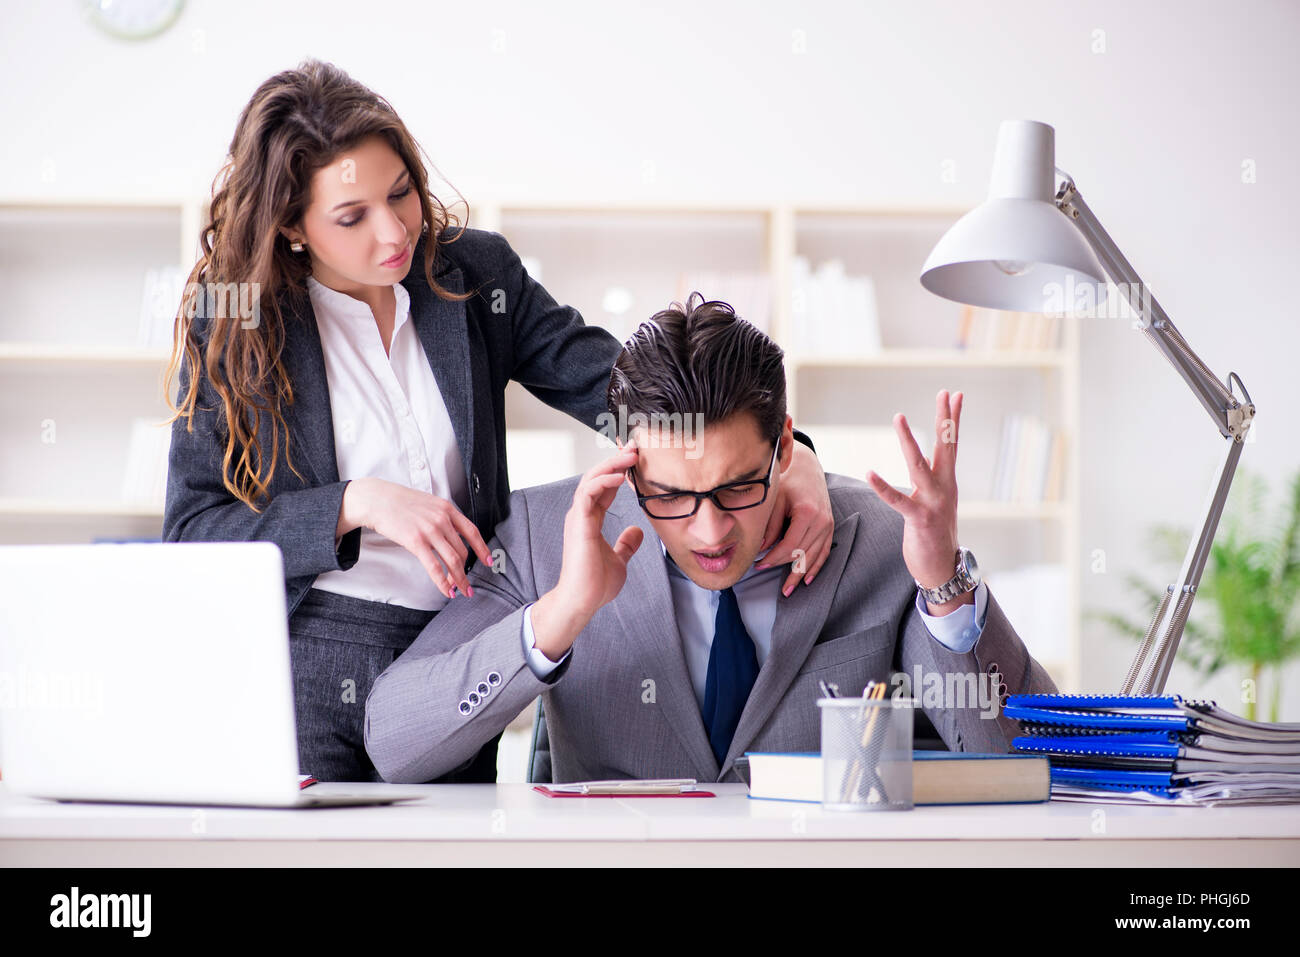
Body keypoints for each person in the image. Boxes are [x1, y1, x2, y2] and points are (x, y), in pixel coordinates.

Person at [161, 60, 836, 784]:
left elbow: (633, 398)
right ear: (292, 225)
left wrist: (791, 458)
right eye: (352, 217)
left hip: (459, 649)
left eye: (401, 193)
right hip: (307, 658)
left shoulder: (476, 276)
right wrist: (356, 503)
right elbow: (194, 531)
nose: (394, 231)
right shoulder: (238, 321)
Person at [364, 294, 1060, 784]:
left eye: (737, 487)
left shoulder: (884, 539)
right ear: (627, 459)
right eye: (669, 495)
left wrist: (943, 581)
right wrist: (561, 613)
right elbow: (393, 743)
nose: (710, 530)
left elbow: (1023, 763)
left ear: (785, 446)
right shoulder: (546, 536)